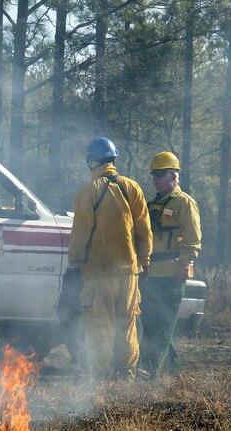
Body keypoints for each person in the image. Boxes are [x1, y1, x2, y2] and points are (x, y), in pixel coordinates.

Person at [67, 137, 152, 381]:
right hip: (128, 273)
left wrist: (73, 265)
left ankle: (100, 380)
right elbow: (144, 231)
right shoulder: (132, 188)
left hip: (97, 274)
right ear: (113, 159)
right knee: (127, 327)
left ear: (91, 162)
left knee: (99, 328)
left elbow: (80, 234)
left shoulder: (88, 192)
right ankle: (126, 378)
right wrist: (145, 262)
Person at [138, 151, 202, 377]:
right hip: (150, 276)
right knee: (152, 327)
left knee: (163, 328)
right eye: (153, 174)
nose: (154, 178)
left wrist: (184, 264)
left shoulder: (184, 203)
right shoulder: (151, 204)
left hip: (172, 275)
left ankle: (149, 375)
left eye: (159, 174)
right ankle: (176, 376)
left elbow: (194, 239)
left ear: (173, 175)